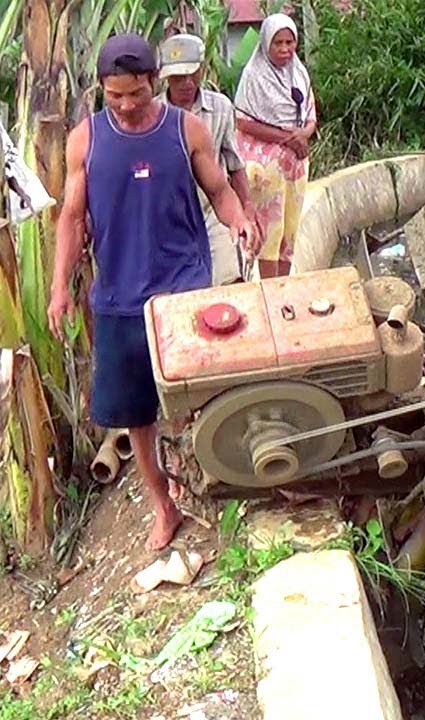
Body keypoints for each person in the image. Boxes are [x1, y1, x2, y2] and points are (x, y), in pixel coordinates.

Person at [46, 34, 255, 551]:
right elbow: (71, 219)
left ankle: (218, 484)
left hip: (183, 287)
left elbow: (221, 191)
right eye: (114, 95)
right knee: (137, 415)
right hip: (119, 296)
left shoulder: (186, 130)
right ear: (102, 88)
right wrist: (58, 289)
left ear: (154, 82)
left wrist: (240, 222)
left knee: (198, 394)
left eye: (135, 93)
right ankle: (163, 506)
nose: (125, 104)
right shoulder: (85, 140)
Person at [159, 33, 257, 285]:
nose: (186, 82)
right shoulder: (153, 114)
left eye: (192, 73)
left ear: (202, 69)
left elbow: (234, 165)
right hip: (170, 219)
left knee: (229, 282)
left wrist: (245, 211)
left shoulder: (221, 108)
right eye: (178, 77)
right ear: (166, 76)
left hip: (215, 212)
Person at [234, 13, 317, 279]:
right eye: (277, 43)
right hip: (265, 172)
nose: (284, 49)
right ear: (265, 44)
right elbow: (243, 121)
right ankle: (271, 291)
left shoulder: (299, 73)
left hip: (295, 166)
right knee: (270, 232)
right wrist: (287, 139)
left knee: (290, 231)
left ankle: (284, 288)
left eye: (289, 42)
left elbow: (311, 114)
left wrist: (303, 135)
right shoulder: (254, 76)